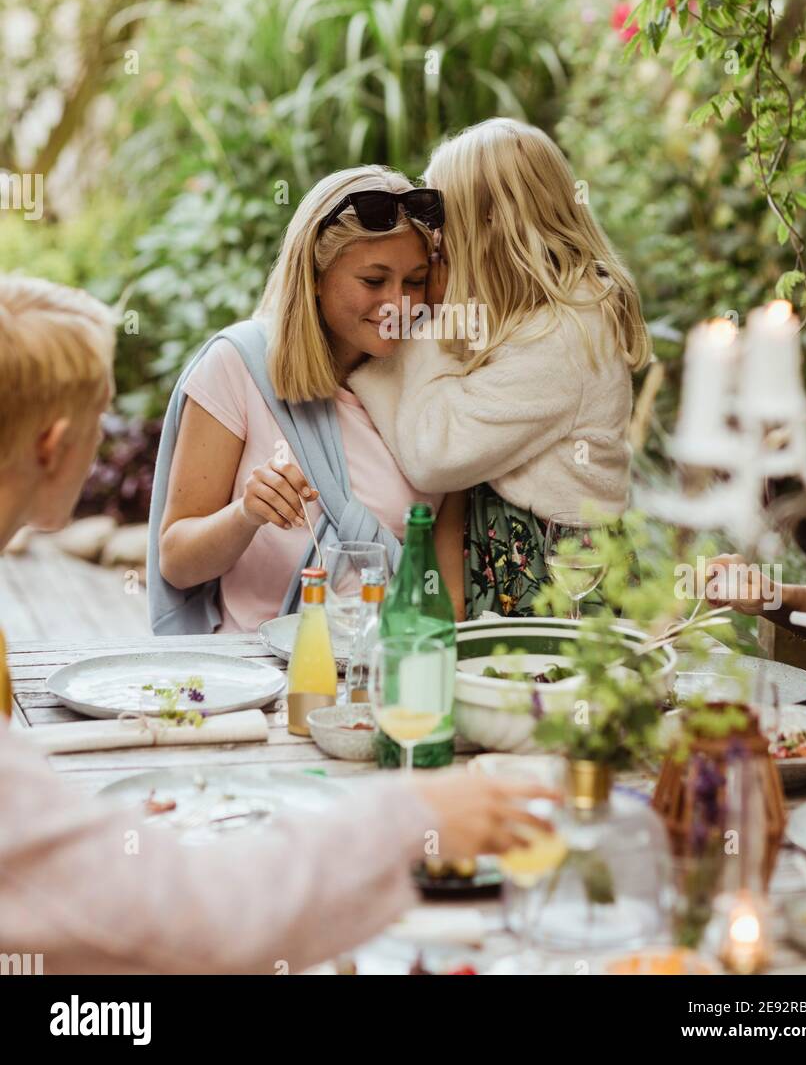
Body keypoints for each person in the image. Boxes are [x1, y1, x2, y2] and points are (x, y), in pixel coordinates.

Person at [0, 275, 552, 974]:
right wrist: (417, 818)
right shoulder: (240, 366)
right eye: (100, 418)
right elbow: (183, 917)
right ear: (52, 445)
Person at [350, 119, 651, 618]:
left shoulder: (570, 333)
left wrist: (423, 330)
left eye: (442, 216)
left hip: (552, 582)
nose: (435, 236)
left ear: (490, 223)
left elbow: (434, 452)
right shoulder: (535, 312)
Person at [151, 166, 462, 632]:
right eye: (374, 281)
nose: (399, 305)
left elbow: (447, 599)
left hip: (386, 672)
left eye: (414, 281)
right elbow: (177, 561)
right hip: (256, 679)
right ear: (314, 274)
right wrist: (246, 515)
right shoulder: (239, 366)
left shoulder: (438, 385)